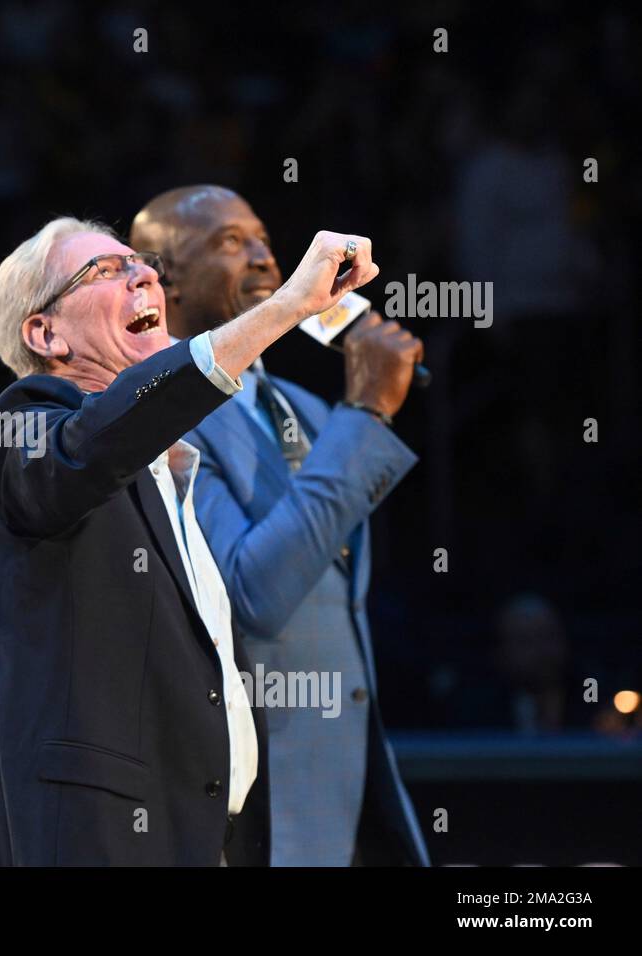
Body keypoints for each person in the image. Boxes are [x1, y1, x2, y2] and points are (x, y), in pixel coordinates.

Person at [0, 214, 378, 865]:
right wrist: (287, 306)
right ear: (45, 332)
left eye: (146, 266)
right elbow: (92, 447)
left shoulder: (165, 472)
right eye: (107, 269)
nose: (145, 275)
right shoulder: (21, 424)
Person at [130, 185, 428, 865]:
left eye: (264, 238)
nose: (266, 259)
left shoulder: (306, 406)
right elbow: (253, 595)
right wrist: (368, 416)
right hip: (261, 795)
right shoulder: (158, 405)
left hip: (355, 766)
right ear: (161, 274)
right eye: (231, 242)